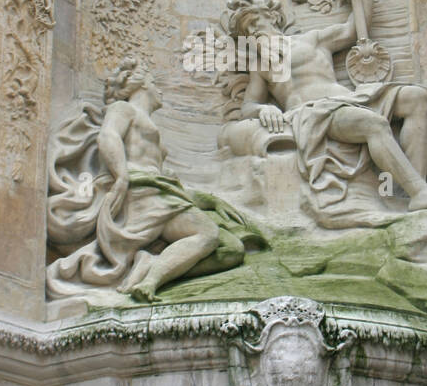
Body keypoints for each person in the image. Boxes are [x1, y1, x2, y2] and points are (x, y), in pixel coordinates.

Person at [227, 0, 427, 214]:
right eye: (247, 30)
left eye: (254, 22)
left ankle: (414, 190)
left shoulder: (312, 40)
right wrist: (264, 108)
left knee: (416, 97)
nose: (253, 31)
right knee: (373, 124)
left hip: (348, 100)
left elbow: (352, 30)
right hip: (314, 114)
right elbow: (248, 106)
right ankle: (418, 191)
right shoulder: (262, 65)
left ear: (272, 17)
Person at [46, 59, 264, 300]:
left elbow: (166, 181)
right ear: (142, 84)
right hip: (143, 191)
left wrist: (212, 202)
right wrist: (121, 176)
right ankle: (150, 281)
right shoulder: (124, 109)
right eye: (155, 83)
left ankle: (151, 263)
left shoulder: (148, 126)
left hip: (161, 192)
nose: (160, 90)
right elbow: (109, 136)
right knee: (207, 234)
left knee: (232, 249)